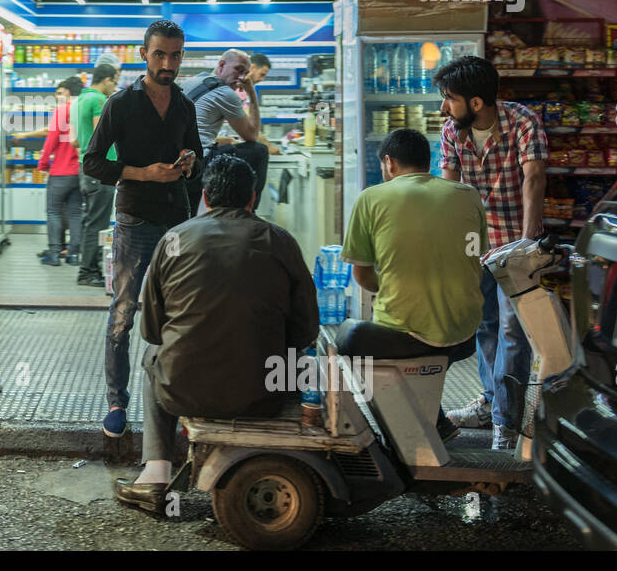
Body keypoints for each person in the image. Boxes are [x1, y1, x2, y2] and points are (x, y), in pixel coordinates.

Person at [114, 154, 318, 511]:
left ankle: (155, 473)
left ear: (205, 197)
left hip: (182, 390)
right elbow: (306, 331)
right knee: (302, 357)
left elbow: (151, 330)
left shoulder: (174, 239)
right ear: (252, 197)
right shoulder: (280, 241)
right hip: (265, 395)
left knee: (152, 357)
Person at [82, 19, 204, 439]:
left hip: (178, 219)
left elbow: (198, 163)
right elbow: (92, 162)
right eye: (160, 54)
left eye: (175, 55)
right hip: (134, 218)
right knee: (123, 313)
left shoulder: (185, 106)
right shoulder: (121, 103)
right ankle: (117, 401)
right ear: (144, 54)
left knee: (181, 315)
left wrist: (189, 163)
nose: (167, 62)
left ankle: (178, 400)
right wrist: (142, 173)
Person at [338, 128, 487, 441]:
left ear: (389, 164)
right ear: (427, 162)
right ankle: (434, 419)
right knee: (426, 333)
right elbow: (475, 257)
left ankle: (404, 425)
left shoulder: (371, 198)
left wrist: (397, 284)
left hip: (410, 331)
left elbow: (362, 276)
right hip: (466, 331)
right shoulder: (467, 195)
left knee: (349, 337)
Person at [435, 56, 547, 451]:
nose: (444, 107)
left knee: (514, 333)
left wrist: (527, 242)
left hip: (515, 244)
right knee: (485, 326)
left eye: (450, 98)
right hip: (475, 246)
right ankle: (490, 402)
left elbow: (533, 179)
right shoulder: (452, 131)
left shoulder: (522, 122)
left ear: (477, 102)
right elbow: (449, 187)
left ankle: (507, 421)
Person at [181, 50, 264, 216]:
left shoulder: (194, 81)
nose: (241, 78)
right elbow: (251, 135)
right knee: (259, 150)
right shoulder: (225, 93)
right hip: (200, 161)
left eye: (245, 73)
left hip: (182, 157)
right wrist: (252, 92)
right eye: (238, 70)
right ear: (221, 65)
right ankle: (248, 209)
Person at [71, 63, 120, 287]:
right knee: (97, 223)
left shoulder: (79, 99)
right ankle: (88, 272)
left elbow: (74, 140)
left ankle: (88, 267)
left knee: (90, 220)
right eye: (115, 81)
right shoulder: (99, 100)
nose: (115, 86)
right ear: (107, 80)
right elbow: (103, 134)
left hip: (85, 167)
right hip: (101, 169)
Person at [37, 76, 85, 266]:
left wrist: (42, 163)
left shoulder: (62, 110)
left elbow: (51, 139)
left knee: (53, 212)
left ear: (66, 92)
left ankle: (55, 254)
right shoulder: (82, 109)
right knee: (75, 213)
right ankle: (73, 255)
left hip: (60, 172)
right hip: (79, 171)